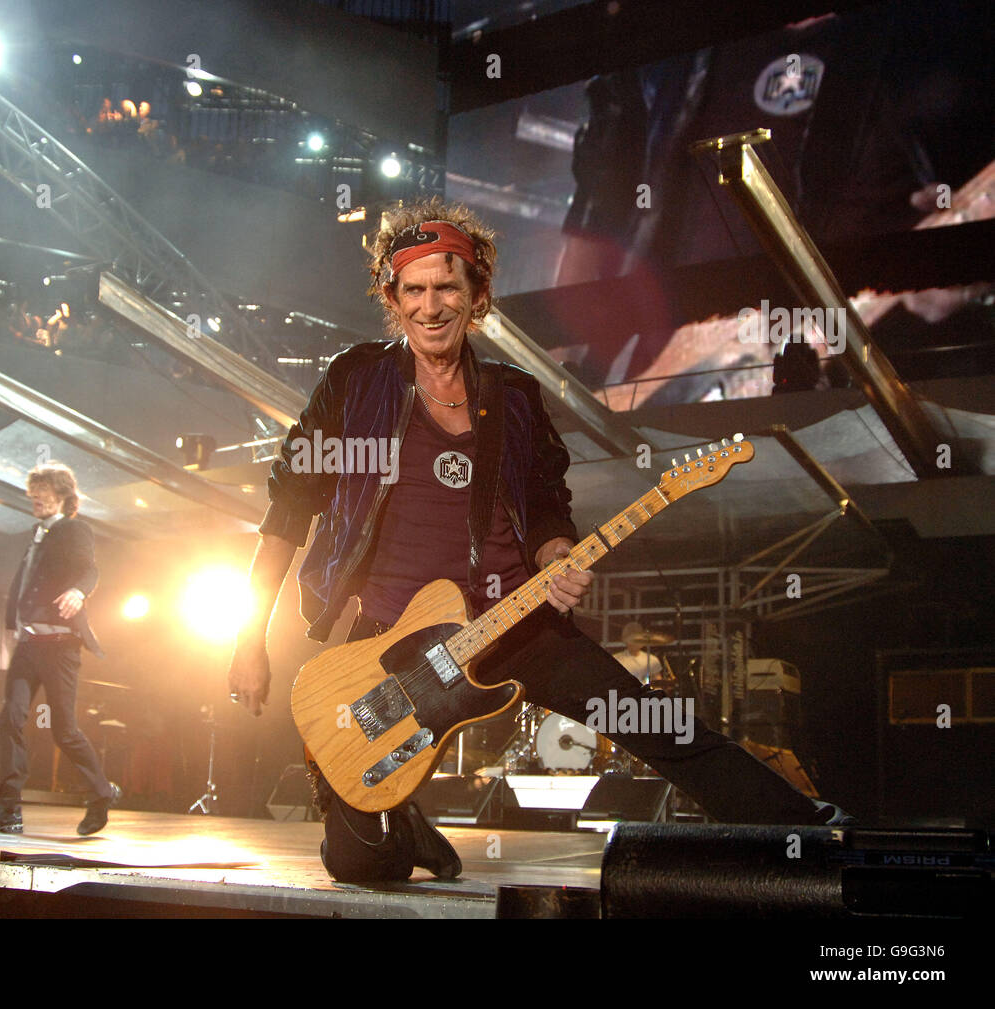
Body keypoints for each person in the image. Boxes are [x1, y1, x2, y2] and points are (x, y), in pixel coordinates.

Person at [227, 198, 851, 883]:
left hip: (517, 623)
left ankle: (801, 825)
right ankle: (398, 822)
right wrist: (247, 636)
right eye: (414, 289)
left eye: (447, 288)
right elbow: (287, 508)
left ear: (478, 296)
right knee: (360, 866)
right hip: (392, 642)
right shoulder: (355, 381)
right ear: (391, 296)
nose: (430, 306)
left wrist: (557, 554)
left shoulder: (515, 396)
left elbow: (548, 502)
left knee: (661, 727)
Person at [0, 463, 120, 835]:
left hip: (60, 647)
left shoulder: (73, 529)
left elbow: (90, 570)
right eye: (32, 490)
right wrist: (14, 623)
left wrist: (78, 592)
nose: (34, 496)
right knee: (11, 717)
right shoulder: (37, 533)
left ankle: (100, 791)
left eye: (42, 490)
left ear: (63, 495)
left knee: (64, 730)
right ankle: (7, 810)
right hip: (29, 644)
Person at [612, 621, 664, 685]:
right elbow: (611, 684)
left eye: (637, 640)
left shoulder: (652, 660)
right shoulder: (616, 659)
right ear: (625, 641)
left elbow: (658, 684)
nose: (634, 643)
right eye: (631, 640)